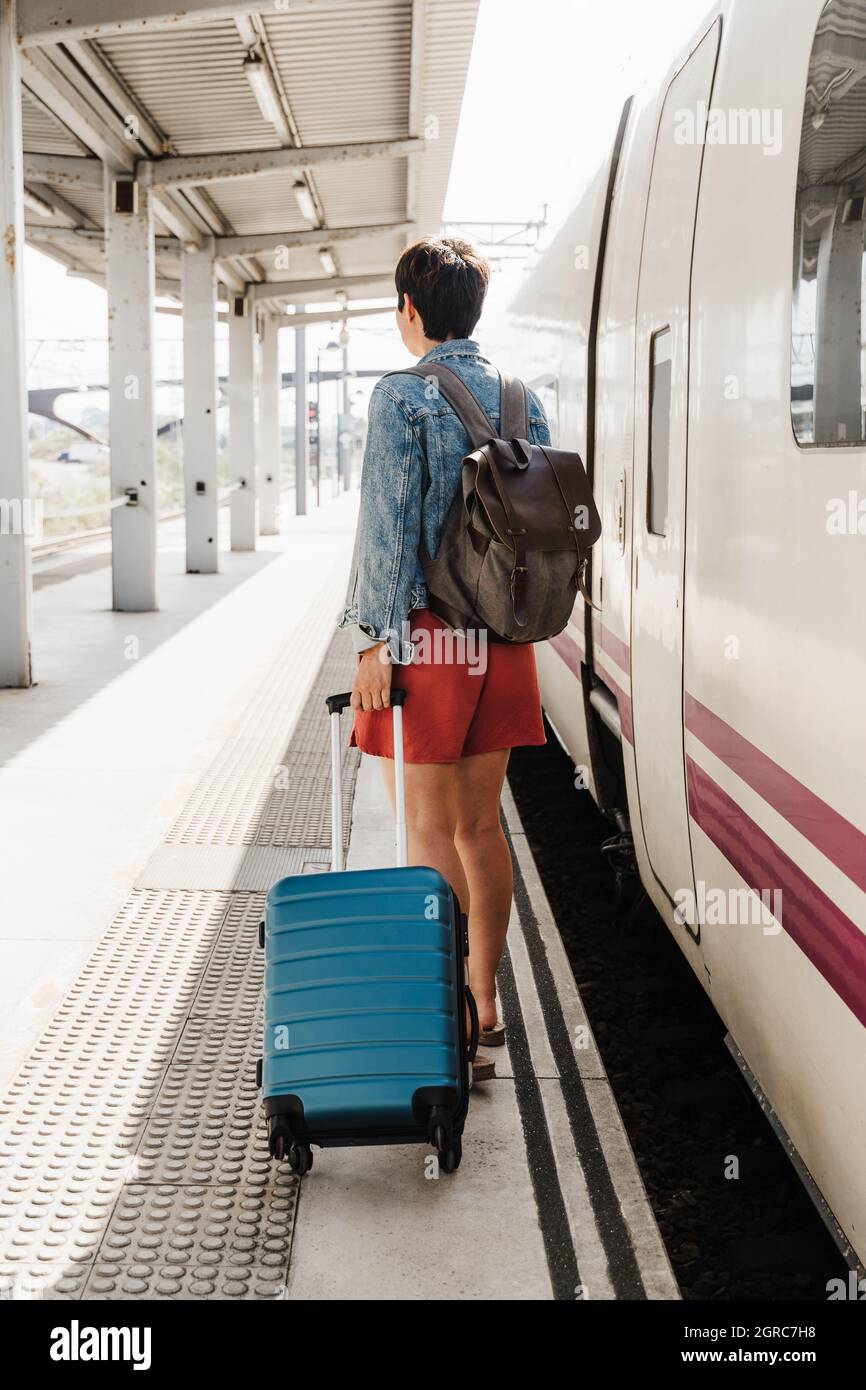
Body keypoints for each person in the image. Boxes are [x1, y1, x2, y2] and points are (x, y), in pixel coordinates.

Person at [338, 236, 551, 1080]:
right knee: (478, 825)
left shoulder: (401, 397)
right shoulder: (522, 399)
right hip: (502, 639)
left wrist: (375, 640)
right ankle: (484, 1001)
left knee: (424, 825)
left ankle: (444, 1020)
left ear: (412, 311)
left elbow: (387, 531)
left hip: (430, 639)